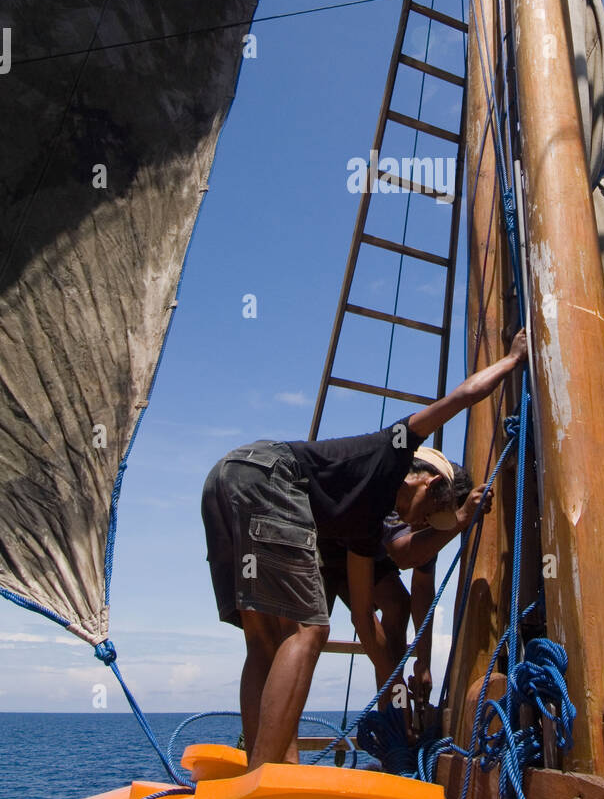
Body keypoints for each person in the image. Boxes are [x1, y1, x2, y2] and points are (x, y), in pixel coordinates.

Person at [200, 328, 527, 769]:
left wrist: (412, 666)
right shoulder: (394, 449)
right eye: (430, 516)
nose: (421, 524)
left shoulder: (363, 525)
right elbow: (461, 398)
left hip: (227, 477)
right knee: (309, 630)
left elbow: (371, 598)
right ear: (430, 484)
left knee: (264, 642)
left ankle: (267, 770)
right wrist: (511, 361)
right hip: (271, 477)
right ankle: (263, 775)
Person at [318, 464, 493, 717]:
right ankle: (393, 703)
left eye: (440, 522)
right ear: (434, 491)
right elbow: (402, 555)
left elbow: (422, 590)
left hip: (359, 549)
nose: (427, 523)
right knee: (310, 631)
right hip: (327, 533)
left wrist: (423, 662)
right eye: (434, 515)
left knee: (397, 604)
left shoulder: (430, 528)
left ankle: (392, 717)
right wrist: (463, 517)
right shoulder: (398, 490)